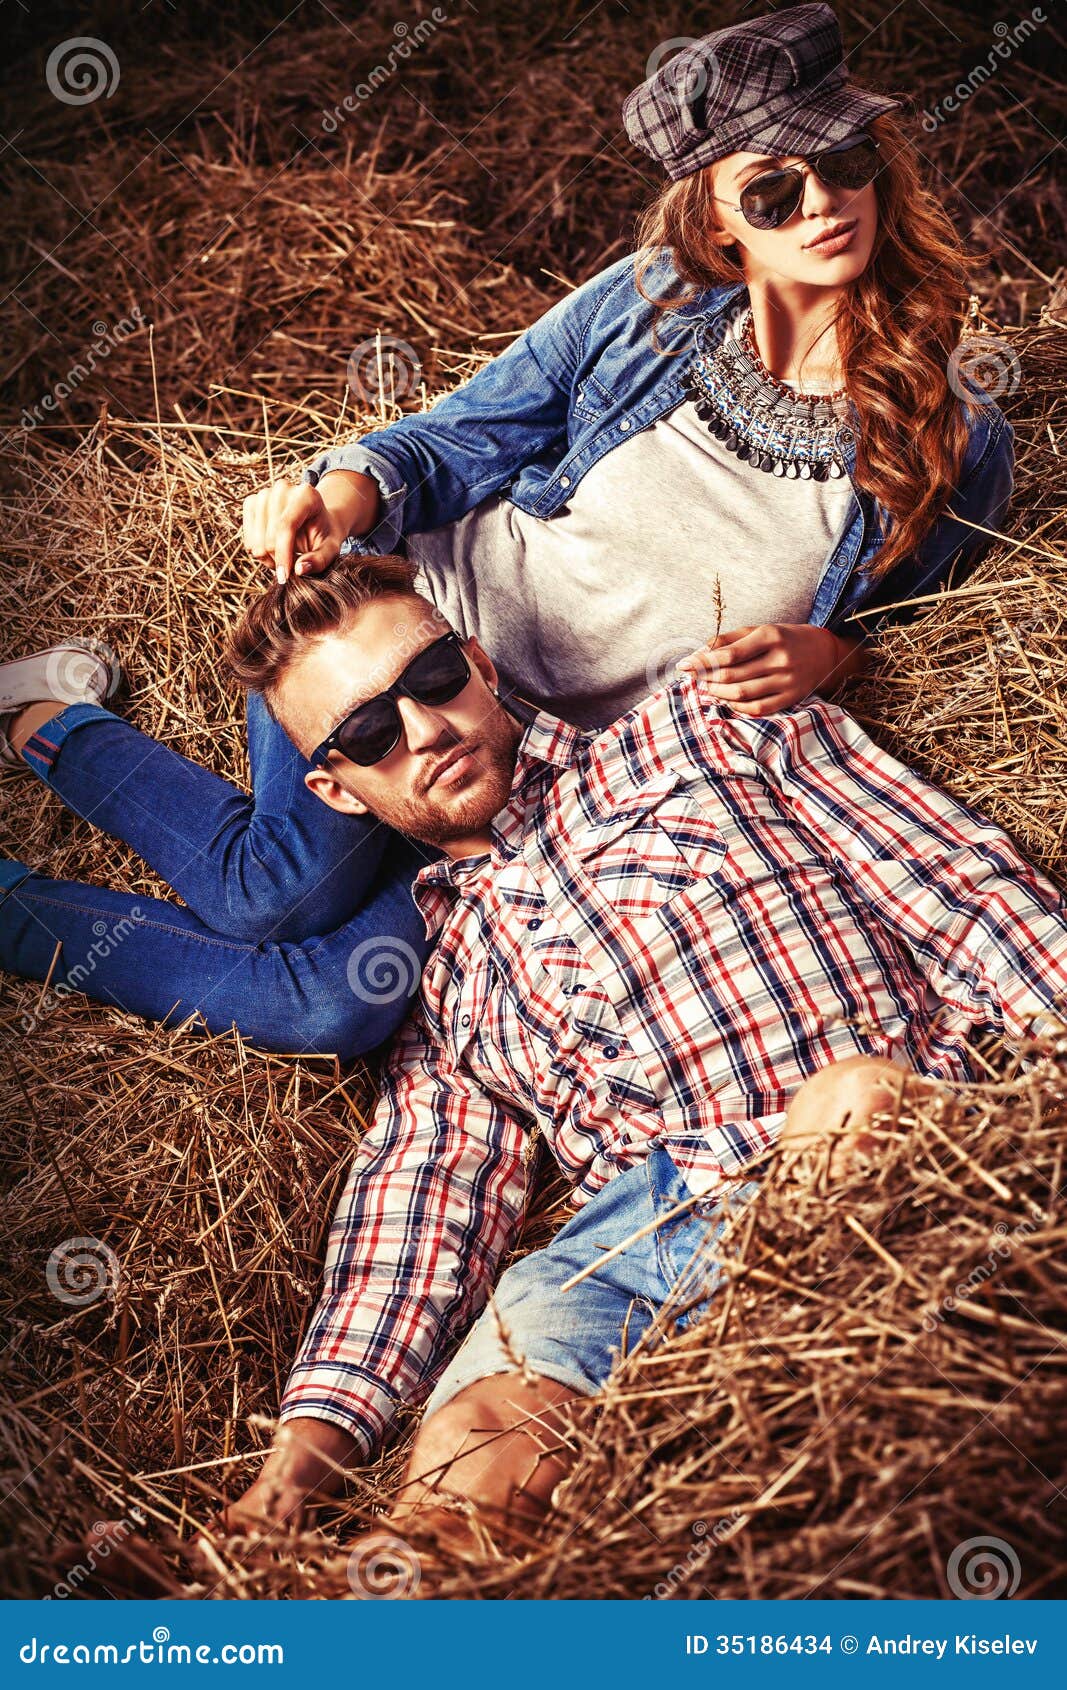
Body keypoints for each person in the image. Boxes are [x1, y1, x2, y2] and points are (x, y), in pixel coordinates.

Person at [0, 4, 1014, 1058]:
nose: (823, 203)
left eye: (844, 159)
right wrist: (345, 493)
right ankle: (37, 715)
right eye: (772, 189)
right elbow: (447, 443)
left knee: (330, 1007)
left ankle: (44, 734)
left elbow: (897, 625)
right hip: (405, 658)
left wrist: (829, 651)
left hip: (552, 781)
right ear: (717, 224)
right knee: (270, 897)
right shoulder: (646, 305)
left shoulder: (952, 438)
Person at [209, 554, 1066, 1545]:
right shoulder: (441, 978)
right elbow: (418, 1218)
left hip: (851, 1138)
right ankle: (296, 1622)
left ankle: (742, 1445)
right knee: (471, 1444)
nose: (423, 730)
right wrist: (285, 1480)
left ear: (478, 662)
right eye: (368, 731)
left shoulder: (714, 730)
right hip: (640, 1249)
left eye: (434, 678)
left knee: (855, 1100)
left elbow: (966, 896)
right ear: (339, 787)